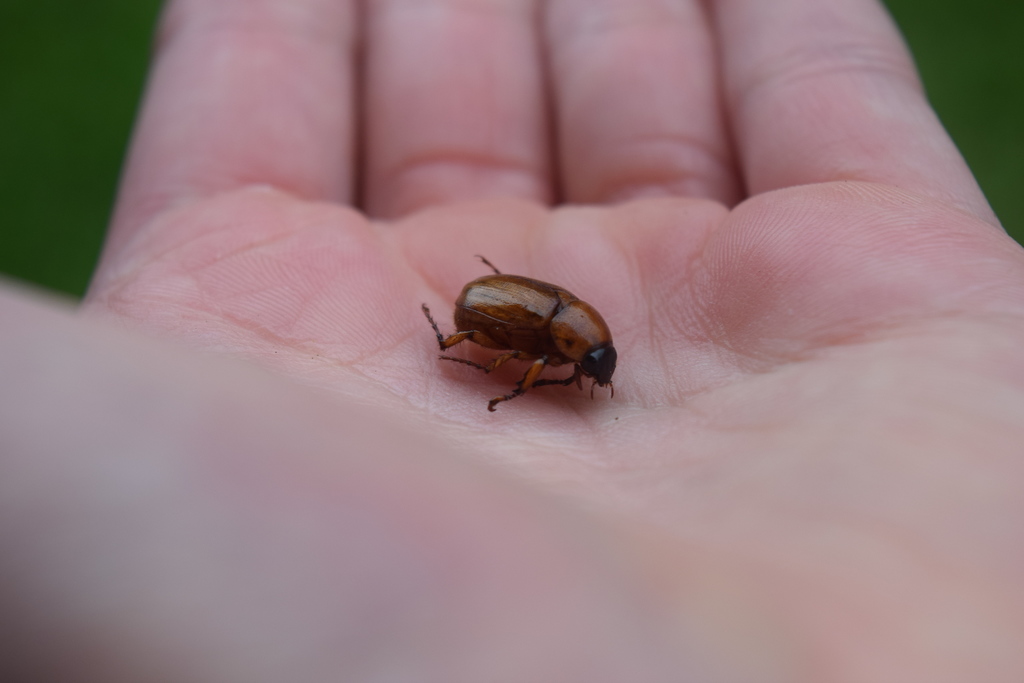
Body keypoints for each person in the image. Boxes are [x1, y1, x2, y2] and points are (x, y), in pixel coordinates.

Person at [3, 0, 1022, 680]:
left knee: (485, 354)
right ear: (578, 353)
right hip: (490, 308)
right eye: (582, 368)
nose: (582, 374)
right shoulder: (551, 341)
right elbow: (522, 340)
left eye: (581, 367)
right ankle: (456, 357)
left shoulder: (573, 335)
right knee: (474, 354)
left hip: (503, 303)